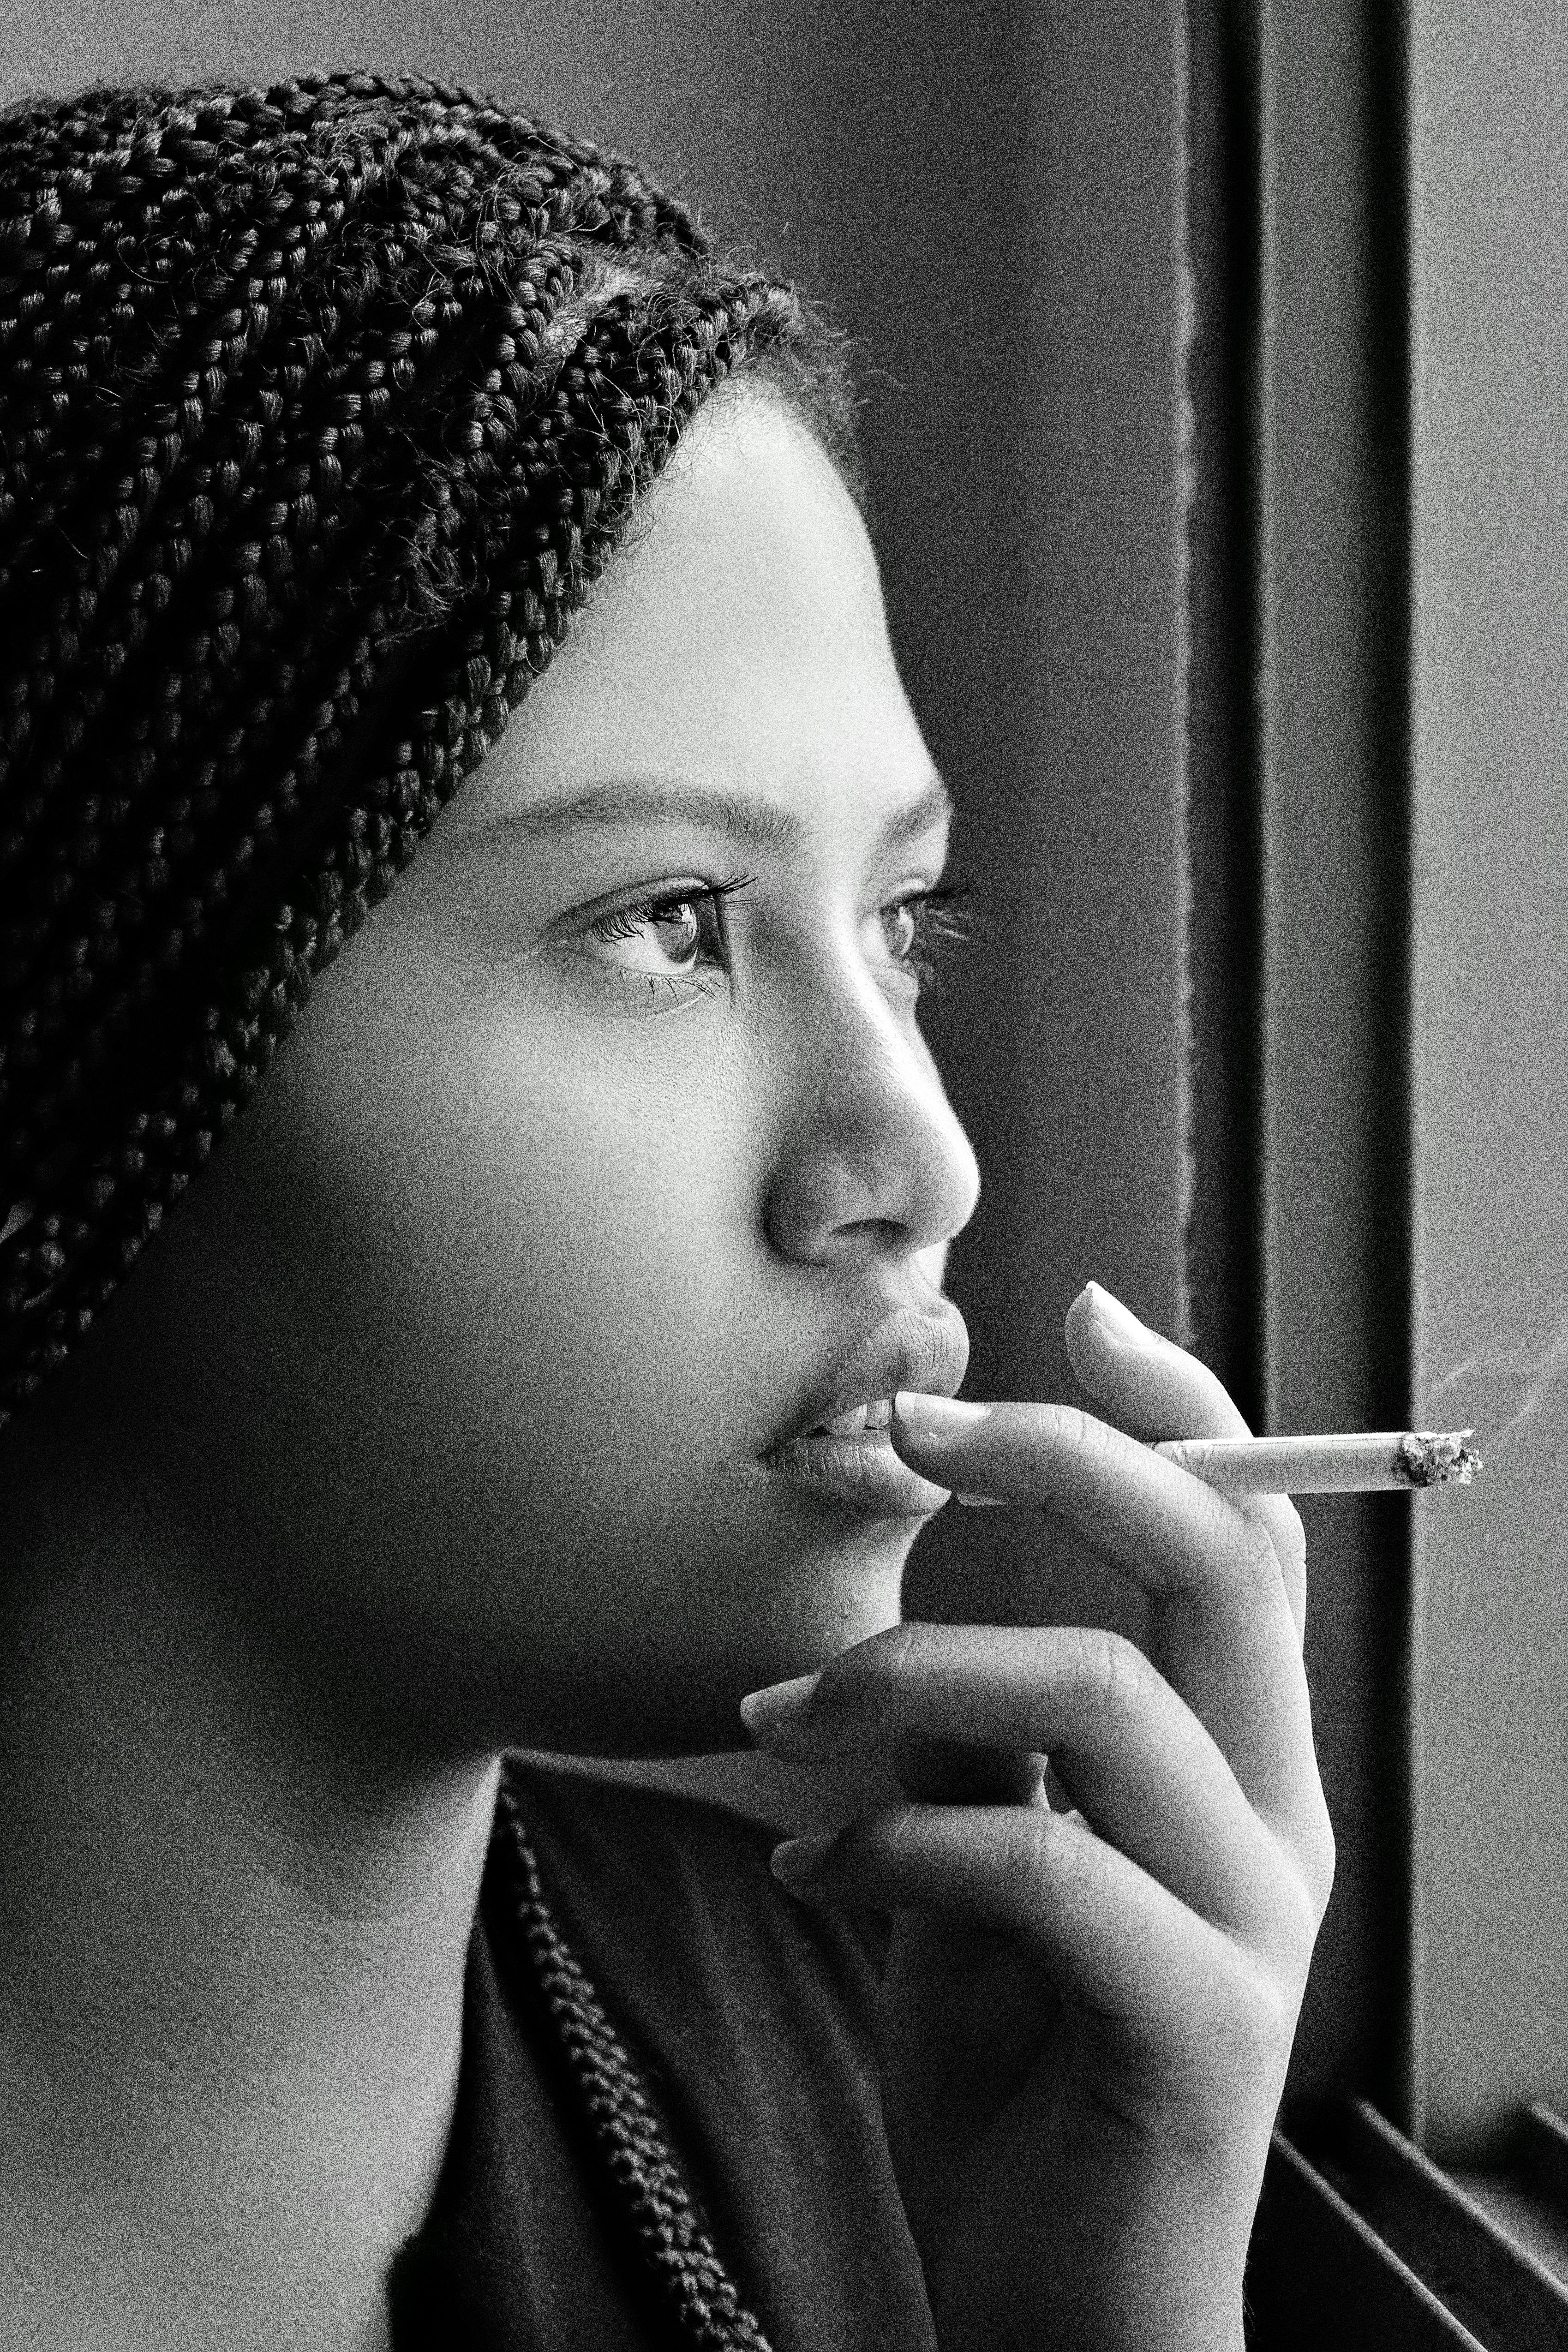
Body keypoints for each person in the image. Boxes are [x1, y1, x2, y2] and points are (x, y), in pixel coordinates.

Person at [0, 72, 1334, 2352]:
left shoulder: (883, 2070)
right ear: (96, 997)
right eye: (670, 920)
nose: (919, 1161)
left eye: (910, 918)